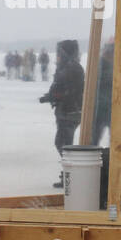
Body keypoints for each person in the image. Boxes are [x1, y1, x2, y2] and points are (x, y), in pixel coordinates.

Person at [39, 40, 84, 189]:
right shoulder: (67, 67)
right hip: (66, 110)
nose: (56, 55)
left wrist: (53, 96)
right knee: (64, 144)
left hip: (70, 111)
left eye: (59, 52)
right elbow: (60, 88)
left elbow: (70, 91)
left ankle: (73, 174)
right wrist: (51, 96)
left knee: (64, 145)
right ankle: (70, 174)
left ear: (64, 53)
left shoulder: (71, 68)